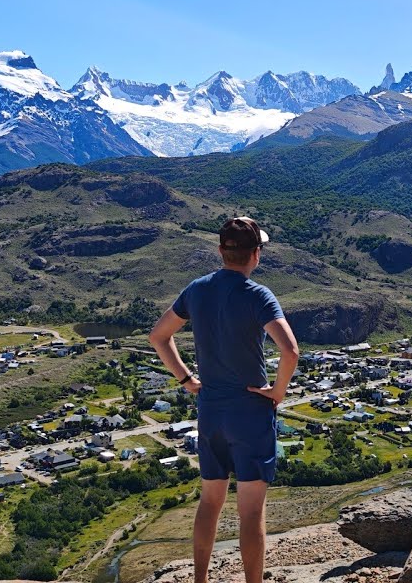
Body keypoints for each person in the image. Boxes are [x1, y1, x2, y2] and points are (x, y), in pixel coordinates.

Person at [148, 216, 300, 583]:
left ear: (221, 251)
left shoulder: (197, 290)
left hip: (211, 410)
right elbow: (290, 351)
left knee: (210, 502)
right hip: (250, 411)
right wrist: (277, 393)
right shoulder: (258, 295)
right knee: (250, 513)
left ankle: (200, 579)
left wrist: (186, 379)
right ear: (257, 255)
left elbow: (158, 336)